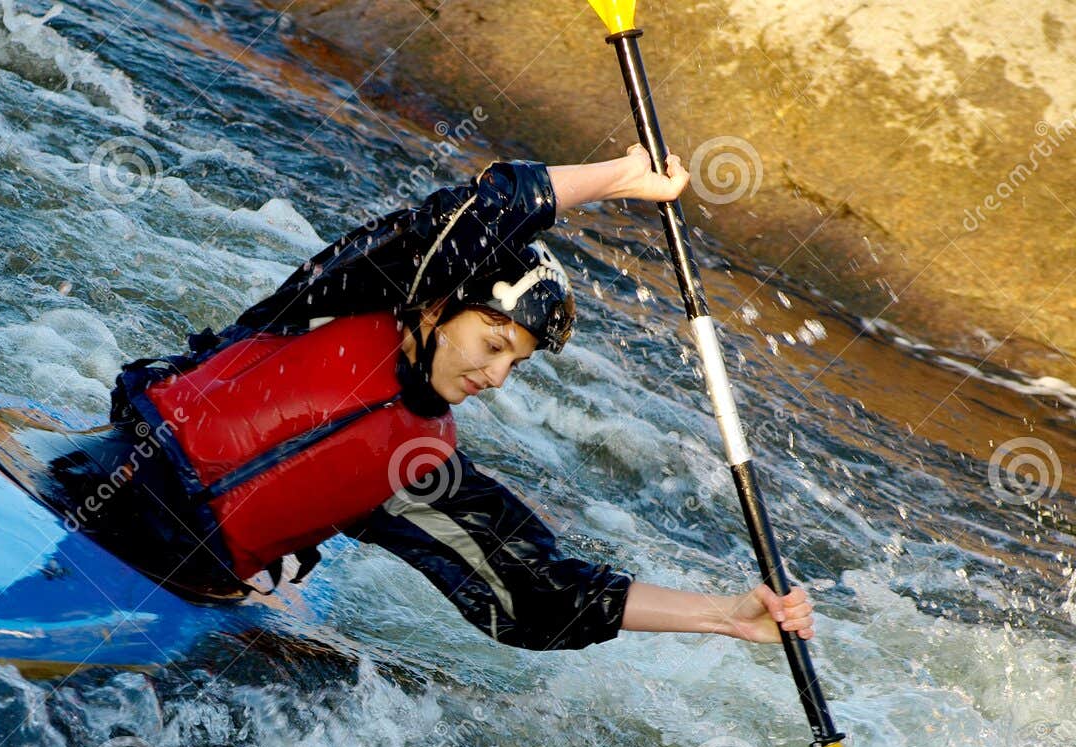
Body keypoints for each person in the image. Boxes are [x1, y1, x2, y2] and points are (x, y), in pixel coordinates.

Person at [67, 145, 814, 651]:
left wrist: (726, 617)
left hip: (177, 579)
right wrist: (620, 176)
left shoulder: (419, 464)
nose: (495, 377)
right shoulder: (340, 298)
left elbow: (539, 591)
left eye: (514, 365)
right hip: (102, 483)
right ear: (434, 308)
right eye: (493, 345)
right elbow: (481, 210)